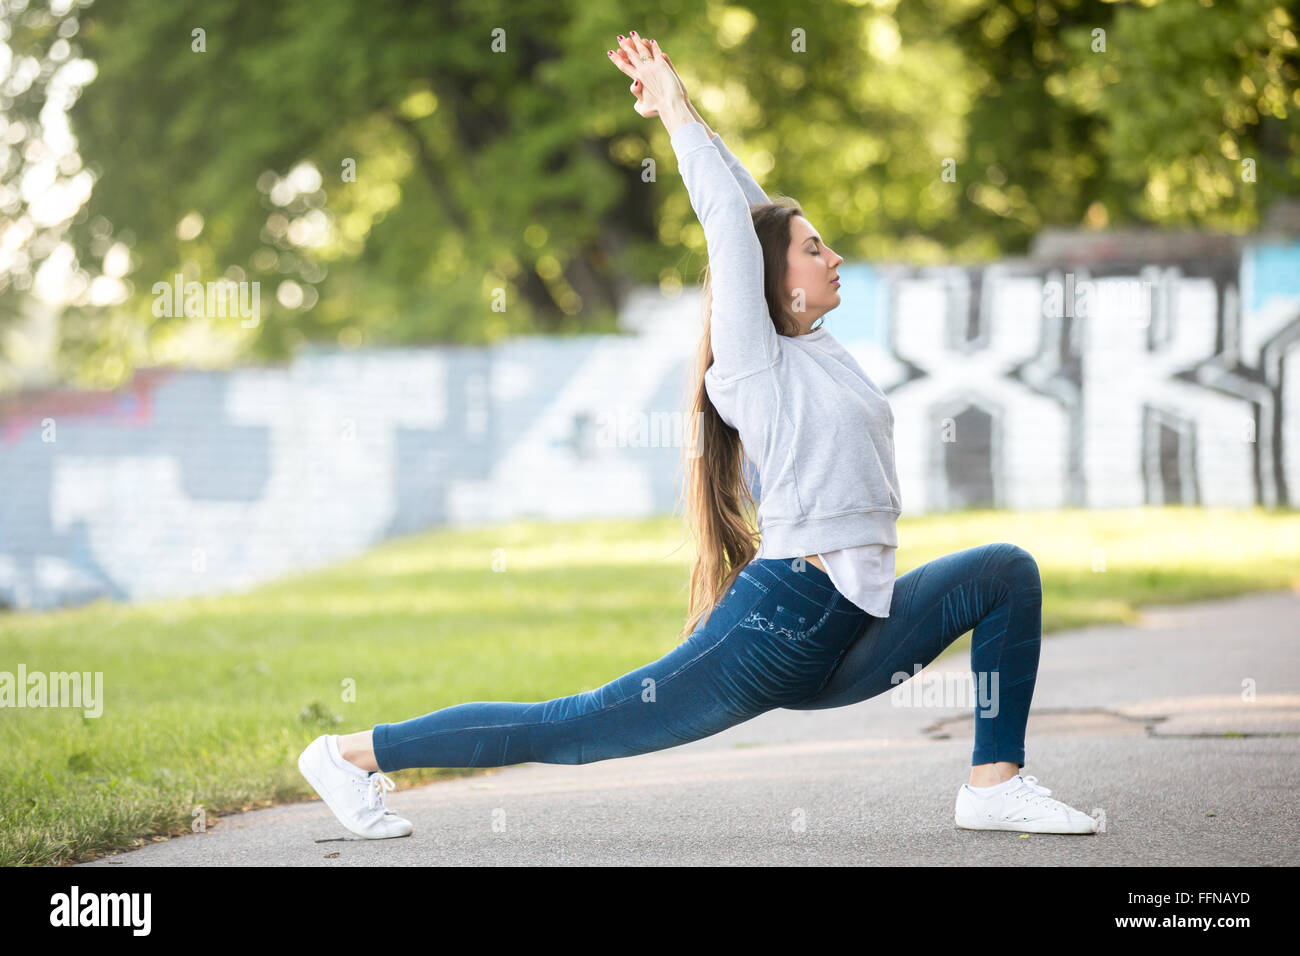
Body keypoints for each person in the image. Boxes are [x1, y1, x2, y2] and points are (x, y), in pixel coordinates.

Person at [296, 31, 1099, 841]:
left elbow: (749, 208)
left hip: (853, 622)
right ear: (774, 281)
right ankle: (350, 755)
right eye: (815, 248)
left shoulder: (813, 349)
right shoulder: (753, 364)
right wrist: (673, 114)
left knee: (1004, 574)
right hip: (781, 626)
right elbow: (729, 222)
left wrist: (692, 119)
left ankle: (994, 785)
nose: (836, 254)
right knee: (575, 725)